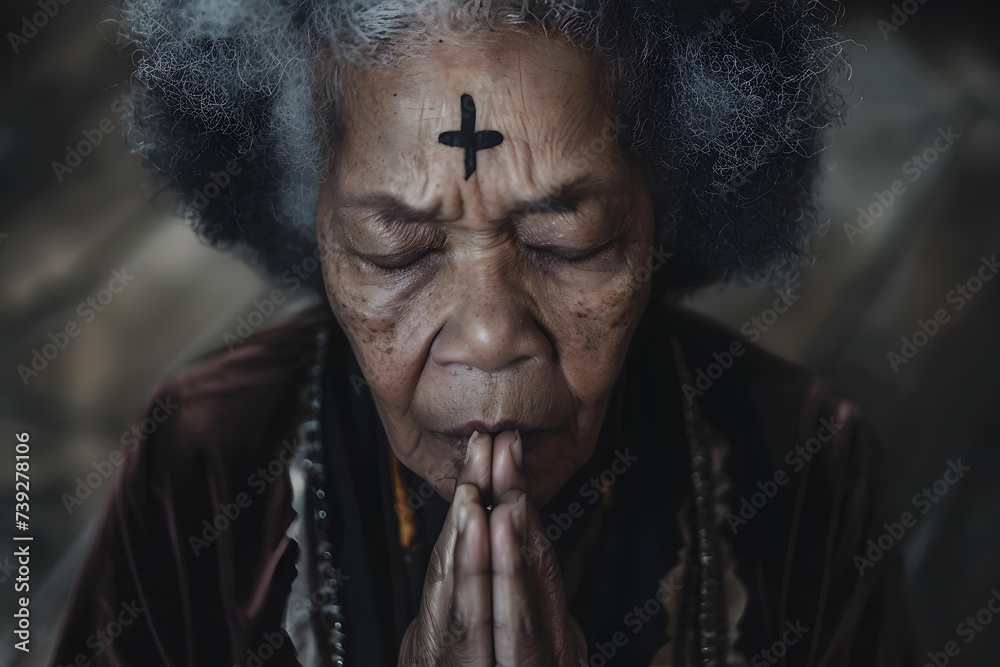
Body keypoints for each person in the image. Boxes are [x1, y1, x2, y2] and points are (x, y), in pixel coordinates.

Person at [52, 1, 913, 665]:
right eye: (397, 250)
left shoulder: (804, 465)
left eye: (566, 243)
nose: (491, 334)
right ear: (305, 222)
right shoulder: (200, 459)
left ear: (668, 212)